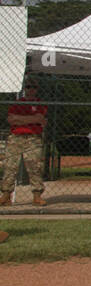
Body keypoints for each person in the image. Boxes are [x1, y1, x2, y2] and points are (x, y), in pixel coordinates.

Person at [1, 78, 48, 207]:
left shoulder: (40, 103)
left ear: (37, 90)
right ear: (24, 89)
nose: (30, 90)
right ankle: (6, 195)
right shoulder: (17, 103)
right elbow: (11, 120)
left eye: (33, 87)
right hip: (16, 137)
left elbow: (41, 120)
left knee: (34, 166)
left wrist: (20, 119)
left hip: (33, 137)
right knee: (10, 166)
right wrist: (32, 119)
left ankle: (37, 196)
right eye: (28, 87)